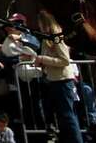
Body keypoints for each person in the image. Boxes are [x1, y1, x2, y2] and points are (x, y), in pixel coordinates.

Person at [34, 11, 83, 143]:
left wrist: (43, 59)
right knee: (62, 117)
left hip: (63, 81)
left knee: (68, 116)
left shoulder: (56, 36)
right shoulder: (47, 37)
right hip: (54, 80)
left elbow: (64, 60)